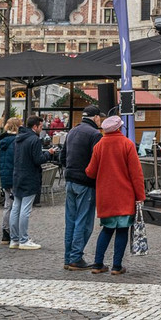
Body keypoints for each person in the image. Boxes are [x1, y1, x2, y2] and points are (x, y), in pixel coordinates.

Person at [85, 115, 146, 276]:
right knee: (122, 230)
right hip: (124, 195)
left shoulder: (99, 146)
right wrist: (140, 196)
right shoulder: (127, 144)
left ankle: (97, 264)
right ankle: (116, 266)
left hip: (105, 196)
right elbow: (136, 174)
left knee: (106, 229)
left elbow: (90, 172)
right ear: (119, 128)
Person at [61, 105, 103, 270]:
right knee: (83, 221)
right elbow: (97, 160)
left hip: (70, 180)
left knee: (70, 221)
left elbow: (62, 156)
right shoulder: (95, 134)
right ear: (96, 117)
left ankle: (68, 257)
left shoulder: (72, 131)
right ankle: (76, 257)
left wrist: (69, 171)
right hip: (86, 182)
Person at [10, 115, 57, 250]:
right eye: (41, 127)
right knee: (25, 209)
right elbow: (38, 159)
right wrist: (49, 153)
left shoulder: (18, 138)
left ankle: (14, 239)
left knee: (16, 208)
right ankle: (24, 240)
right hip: (29, 176)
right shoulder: (34, 140)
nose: (41, 129)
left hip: (18, 175)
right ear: (35, 126)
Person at [0, 117, 21, 244]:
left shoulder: (3, 140)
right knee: (15, 205)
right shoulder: (16, 141)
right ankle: (13, 232)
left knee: (7, 205)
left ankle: (5, 231)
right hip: (13, 175)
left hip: (5, 175)